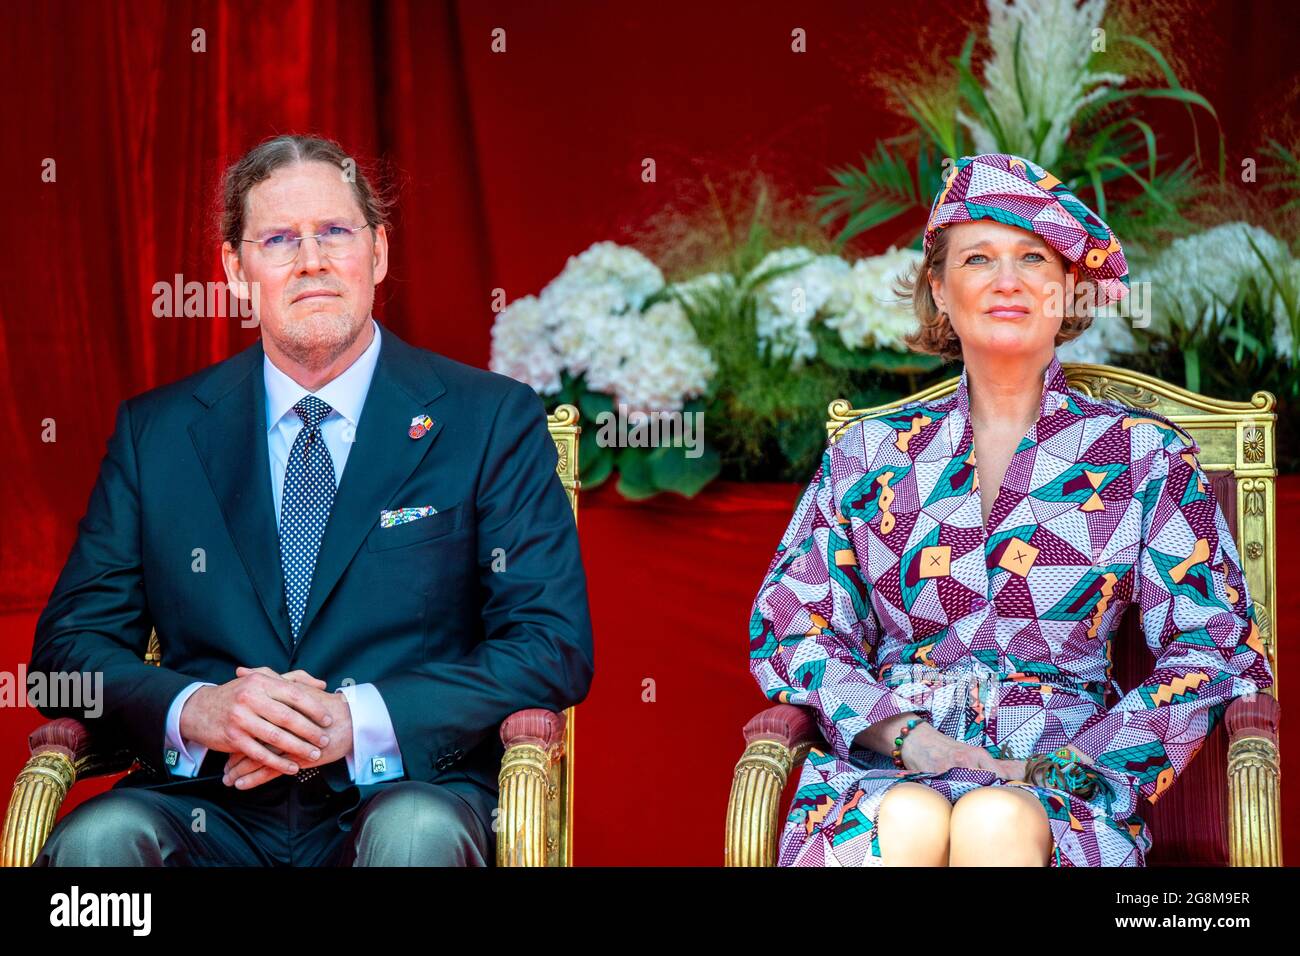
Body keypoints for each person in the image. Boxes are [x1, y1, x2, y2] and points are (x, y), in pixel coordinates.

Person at [30, 133, 594, 866]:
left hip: (406, 792)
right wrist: (197, 709)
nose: (313, 260)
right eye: (278, 239)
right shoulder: (157, 433)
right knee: (98, 846)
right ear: (236, 270)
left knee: (414, 838)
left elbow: (550, 645)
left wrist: (352, 720)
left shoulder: (488, 419)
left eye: (335, 231)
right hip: (208, 804)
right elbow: (61, 658)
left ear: (379, 252)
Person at [748, 152, 1273, 867]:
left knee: (996, 821)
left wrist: (1068, 766)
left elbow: (1213, 647)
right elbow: (795, 628)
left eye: (1032, 258)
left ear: (1066, 288)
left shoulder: (1143, 456)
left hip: (1066, 789)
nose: (1006, 281)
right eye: (977, 260)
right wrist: (907, 737)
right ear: (937, 287)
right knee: (903, 817)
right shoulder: (867, 456)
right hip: (887, 775)